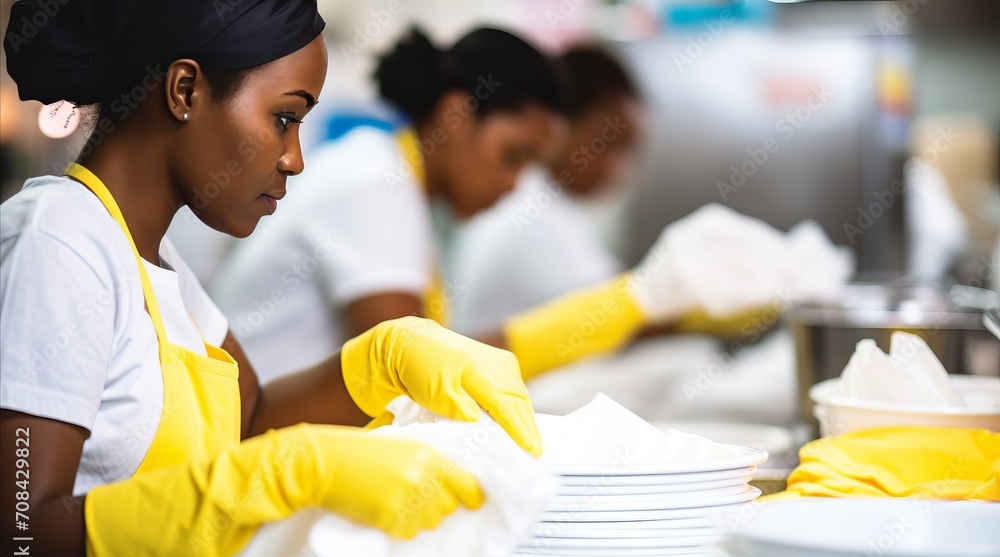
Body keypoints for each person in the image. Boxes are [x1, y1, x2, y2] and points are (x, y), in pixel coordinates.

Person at [0, 2, 542, 557]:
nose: (295, 159)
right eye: (284, 118)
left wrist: (380, 364)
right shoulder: (58, 240)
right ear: (184, 90)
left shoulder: (166, 273)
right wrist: (285, 475)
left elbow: (250, 419)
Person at [212, 27, 798, 388]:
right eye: (512, 155)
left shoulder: (409, 192)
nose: (517, 185)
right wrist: (630, 303)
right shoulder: (375, 182)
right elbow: (416, 369)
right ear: (456, 116)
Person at [445, 45, 642, 334]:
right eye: (607, 143)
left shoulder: (548, 202)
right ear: (562, 126)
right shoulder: (529, 208)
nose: (619, 171)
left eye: (628, 152)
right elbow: (627, 317)